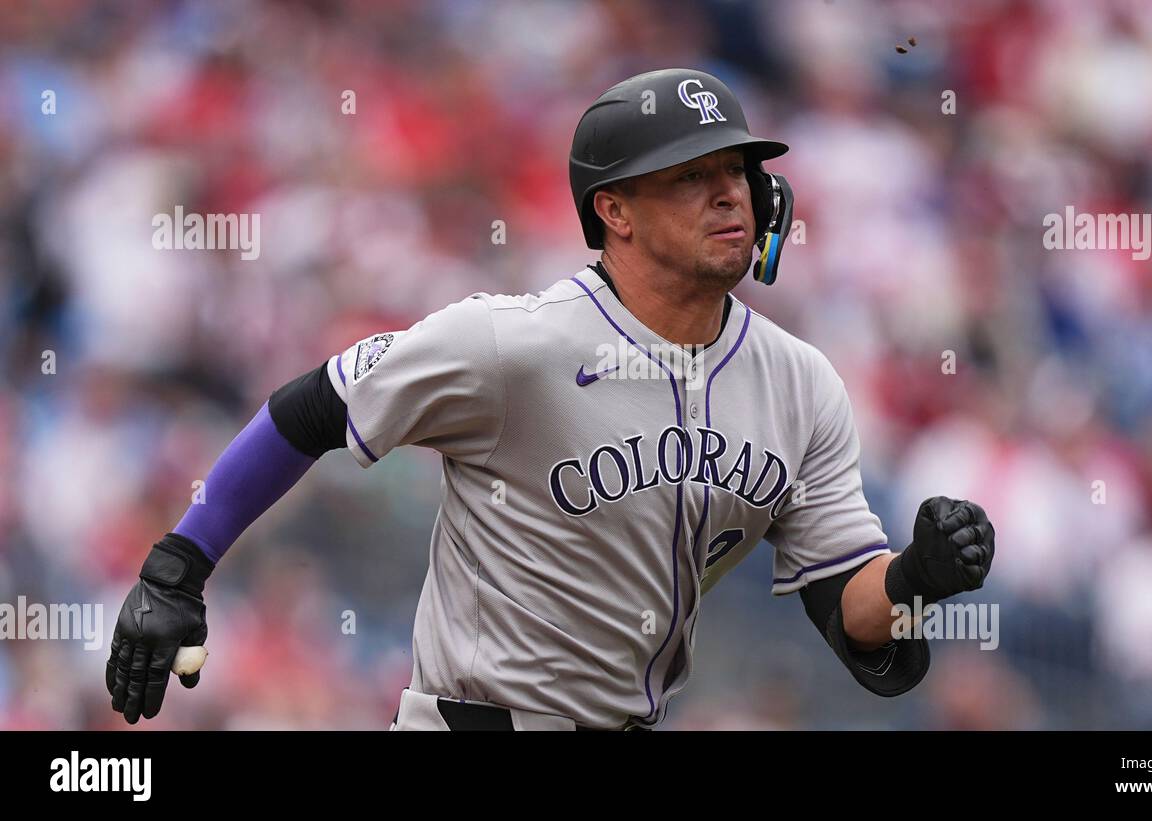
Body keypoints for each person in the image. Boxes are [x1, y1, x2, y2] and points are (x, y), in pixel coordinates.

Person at [106, 68, 995, 730]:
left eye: (740, 169)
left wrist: (919, 577)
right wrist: (176, 568)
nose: (734, 192)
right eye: (692, 174)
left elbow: (853, 612)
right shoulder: (513, 342)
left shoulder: (801, 384)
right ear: (616, 210)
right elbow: (313, 406)